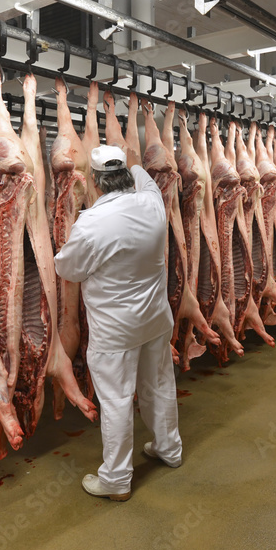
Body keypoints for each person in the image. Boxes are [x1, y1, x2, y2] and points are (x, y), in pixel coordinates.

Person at [54, 144, 182, 502]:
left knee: (116, 400)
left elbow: (69, 268)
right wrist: (127, 157)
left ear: (95, 183)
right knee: (158, 385)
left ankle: (116, 480)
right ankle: (169, 449)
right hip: (155, 318)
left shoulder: (92, 223)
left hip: (116, 331)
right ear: (125, 174)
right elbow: (142, 174)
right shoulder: (152, 202)